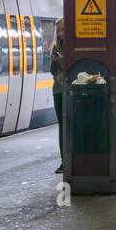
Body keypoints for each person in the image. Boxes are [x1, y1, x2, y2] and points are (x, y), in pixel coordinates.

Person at [49, 18, 67, 174]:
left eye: (63, 30)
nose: (60, 33)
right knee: (62, 126)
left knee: (70, 126)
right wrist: (55, 61)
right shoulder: (55, 47)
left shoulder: (74, 47)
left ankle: (71, 159)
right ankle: (64, 161)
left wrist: (62, 61)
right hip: (58, 91)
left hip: (71, 90)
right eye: (58, 31)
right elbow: (52, 71)